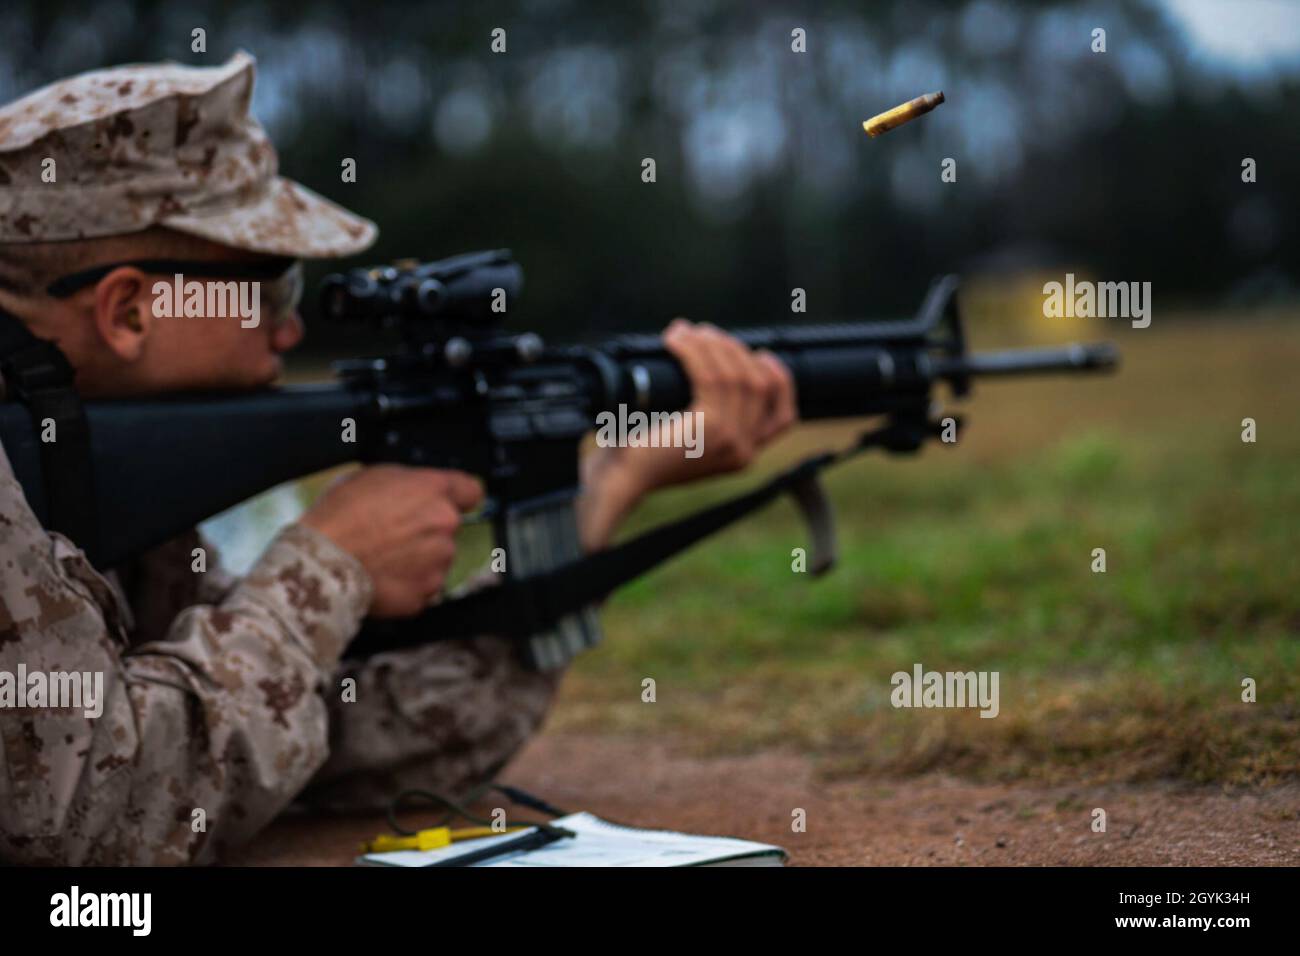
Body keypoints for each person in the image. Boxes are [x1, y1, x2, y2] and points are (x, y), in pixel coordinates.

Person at [0, 52, 797, 864]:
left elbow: (304, 749)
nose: (290, 330)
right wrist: (327, 564)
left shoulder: (77, 468)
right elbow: (83, 822)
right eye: (272, 286)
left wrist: (612, 485)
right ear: (130, 309)